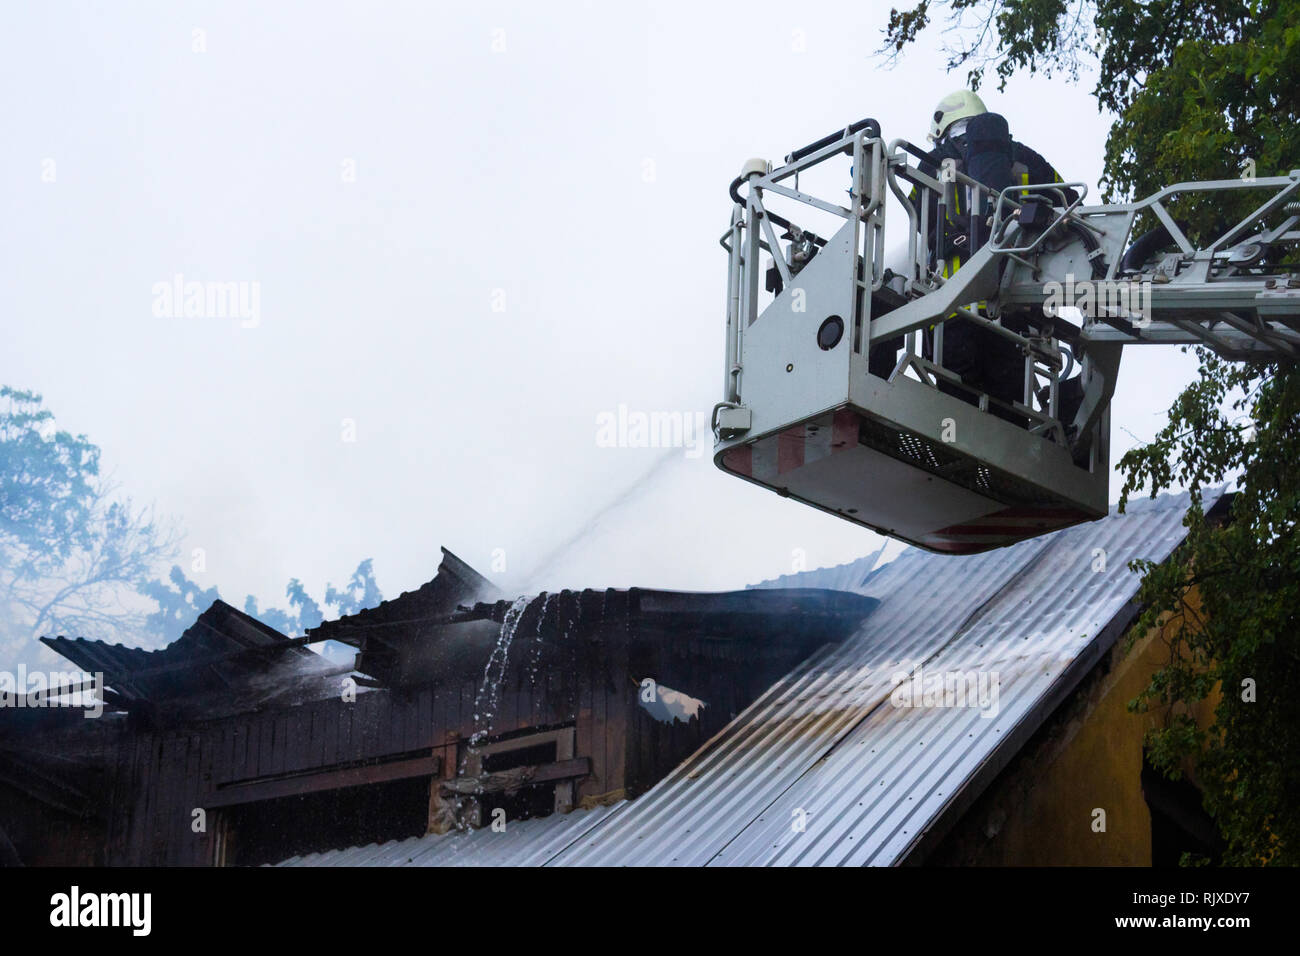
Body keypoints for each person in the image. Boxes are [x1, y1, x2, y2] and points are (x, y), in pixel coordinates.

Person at [911, 90, 1075, 419]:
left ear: (943, 126)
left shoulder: (933, 160)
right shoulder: (1027, 159)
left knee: (953, 410)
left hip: (953, 309)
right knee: (1007, 414)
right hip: (1013, 313)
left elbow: (917, 208)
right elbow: (1069, 201)